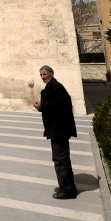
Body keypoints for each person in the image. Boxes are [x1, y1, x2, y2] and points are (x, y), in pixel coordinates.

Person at [33, 65, 78, 200]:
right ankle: (65, 186)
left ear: (51, 74)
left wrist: (42, 105)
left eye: (44, 74)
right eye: (41, 75)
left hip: (60, 130)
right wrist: (41, 107)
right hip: (56, 129)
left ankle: (68, 190)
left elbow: (59, 105)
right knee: (59, 158)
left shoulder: (57, 87)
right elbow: (52, 105)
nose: (42, 77)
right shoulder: (51, 87)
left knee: (61, 159)